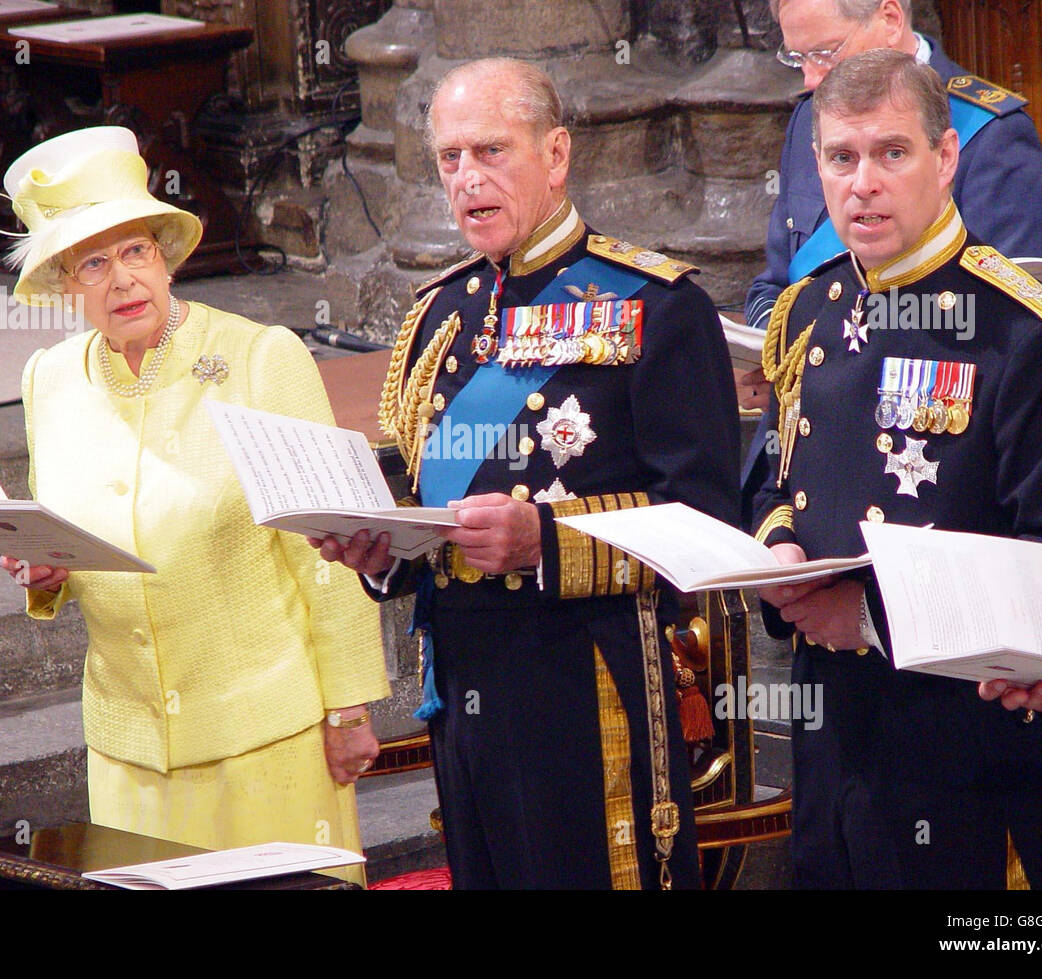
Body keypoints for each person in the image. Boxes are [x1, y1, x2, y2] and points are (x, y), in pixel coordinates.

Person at [312, 58, 740, 889]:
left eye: (491, 151)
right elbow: (427, 499)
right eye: (449, 158)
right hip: (467, 683)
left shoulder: (654, 305)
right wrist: (382, 551)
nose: (467, 177)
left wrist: (543, 538)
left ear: (555, 155)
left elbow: (708, 523)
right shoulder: (442, 312)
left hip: (591, 682)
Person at [0, 126, 390, 884]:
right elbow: (67, 535)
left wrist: (349, 709)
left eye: (135, 251)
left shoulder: (261, 358)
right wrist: (46, 575)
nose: (122, 280)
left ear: (165, 257)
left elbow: (328, 549)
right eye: (93, 263)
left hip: (266, 741)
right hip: (128, 751)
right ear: (67, 287)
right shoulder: (51, 378)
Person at [752, 49, 1042, 889]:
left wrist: (867, 615)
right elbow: (772, 475)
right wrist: (780, 550)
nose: (862, 182)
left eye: (891, 153)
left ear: (946, 159)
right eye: (842, 157)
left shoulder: (1029, 331)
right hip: (833, 738)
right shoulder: (809, 311)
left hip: (974, 756)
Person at [738, 0, 1042, 528]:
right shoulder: (810, 120)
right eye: (796, 56)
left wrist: (854, 607)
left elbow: (1012, 301)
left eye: (823, 51)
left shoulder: (991, 129)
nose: (810, 74)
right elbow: (778, 279)